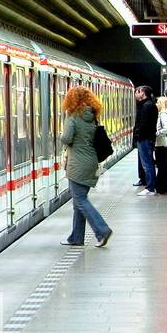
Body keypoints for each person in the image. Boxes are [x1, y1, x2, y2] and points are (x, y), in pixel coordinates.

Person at [60, 85, 112, 247]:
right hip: (91, 161)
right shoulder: (93, 115)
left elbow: (67, 138)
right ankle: (76, 237)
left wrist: (61, 135)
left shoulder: (73, 116)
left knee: (80, 200)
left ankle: (102, 230)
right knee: (78, 202)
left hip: (77, 163)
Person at [132, 85, 158, 194]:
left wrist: (138, 135)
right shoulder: (148, 105)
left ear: (142, 93)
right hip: (146, 138)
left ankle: (150, 188)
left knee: (147, 163)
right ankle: (150, 186)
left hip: (145, 138)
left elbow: (143, 124)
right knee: (147, 163)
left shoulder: (147, 106)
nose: (135, 94)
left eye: (137, 92)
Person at [153, 96, 167, 195]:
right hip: (163, 144)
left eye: (158, 102)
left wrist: (156, 133)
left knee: (162, 166)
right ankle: (165, 187)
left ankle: (162, 187)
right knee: (164, 166)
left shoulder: (163, 114)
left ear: (162, 104)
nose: (156, 104)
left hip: (161, 143)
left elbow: (166, 129)